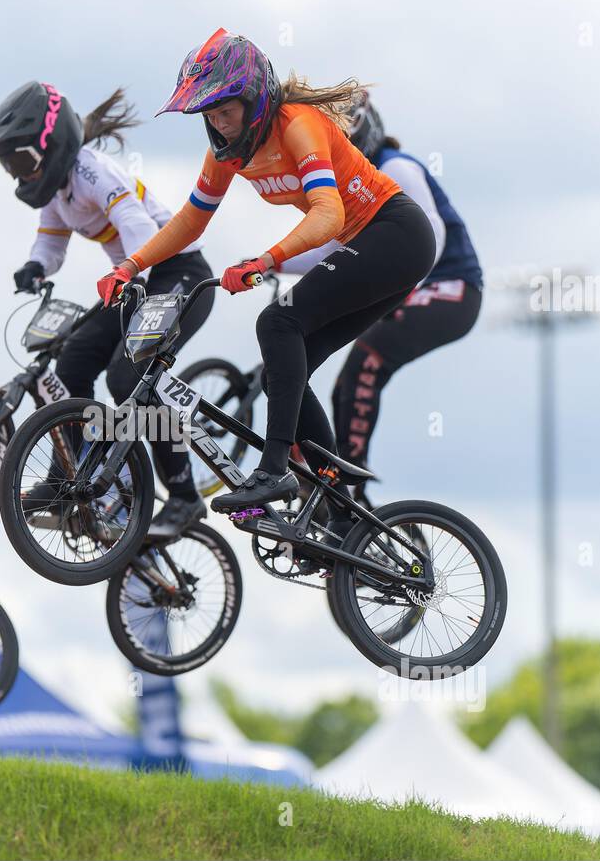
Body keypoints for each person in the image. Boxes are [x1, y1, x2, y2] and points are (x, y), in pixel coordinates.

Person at [95, 28, 437, 525]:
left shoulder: (298, 125)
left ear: (254, 100)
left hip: (398, 234)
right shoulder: (227, 150)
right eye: (207, 115)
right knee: (289, 369)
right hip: (374, 246)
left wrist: (264, 261)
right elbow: (192, 220)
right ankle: (340, 512)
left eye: (225, 111)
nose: (218, 124)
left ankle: (276, 469)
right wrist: (130, 265)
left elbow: (329, 217)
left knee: (276, 324)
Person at [0, 82, 216, 540]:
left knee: (128, 377)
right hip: (135, 280)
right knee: (73, 363)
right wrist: (35, 266)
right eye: (10, 167)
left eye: (21, 161)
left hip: (178, 272)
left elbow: (136, 224)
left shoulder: (91, 172)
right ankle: (77, 474)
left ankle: (183, 496)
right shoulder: (57, 193)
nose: (19, 174)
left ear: (52, 144)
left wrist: (132, 274)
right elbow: (51, 242)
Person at [280, 92, 483, 504]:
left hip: (449, 288)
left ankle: (350, 492)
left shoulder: (398, 169)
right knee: (343, 387)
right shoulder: (360, 189)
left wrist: (402, 291)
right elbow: (328, 252)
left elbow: (433, 237)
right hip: (414, 288)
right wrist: (271, 262)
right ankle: (330, 484)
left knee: (365, 366)